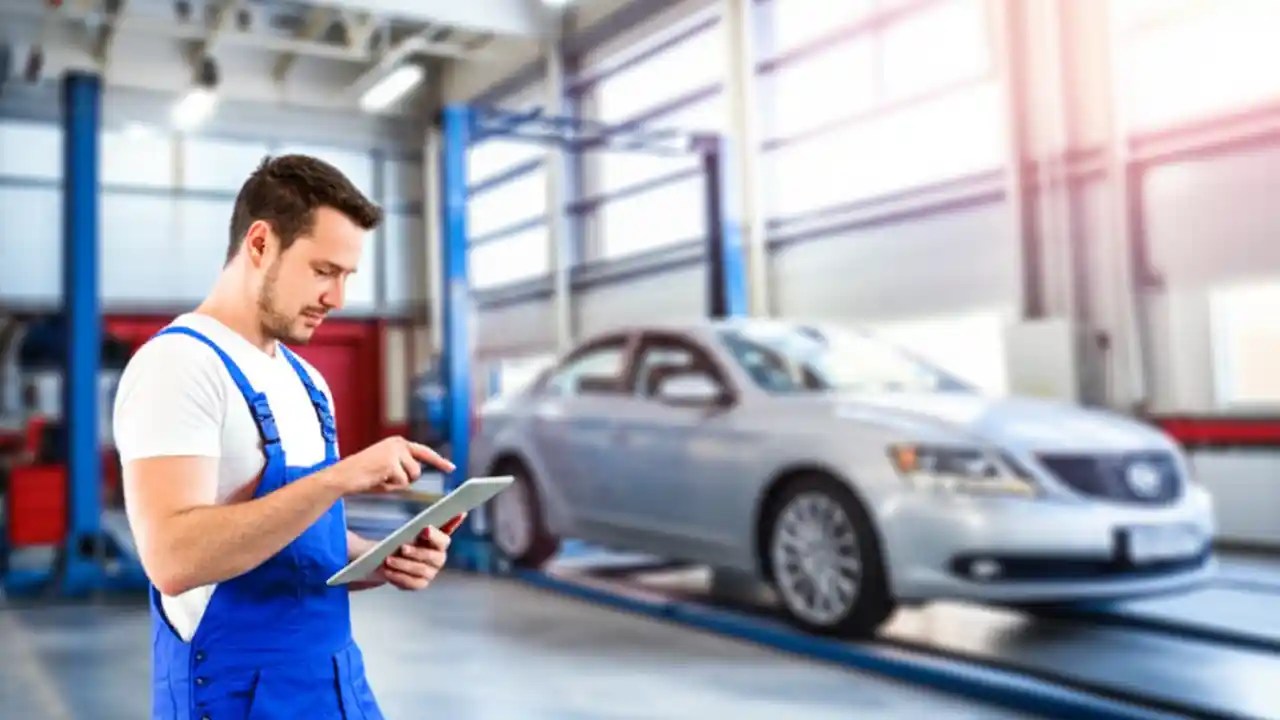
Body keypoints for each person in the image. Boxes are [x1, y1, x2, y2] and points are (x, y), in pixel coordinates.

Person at [113, 154, 458, 719]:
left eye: (347, 277)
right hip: (240, 700)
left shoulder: (306, 381)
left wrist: (386, 559)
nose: (338, 298)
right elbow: (172, 558)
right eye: (324, 271)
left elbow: (299, 545)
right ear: (259, 245)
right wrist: (342, 477)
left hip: (335, 686)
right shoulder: (178, 366)